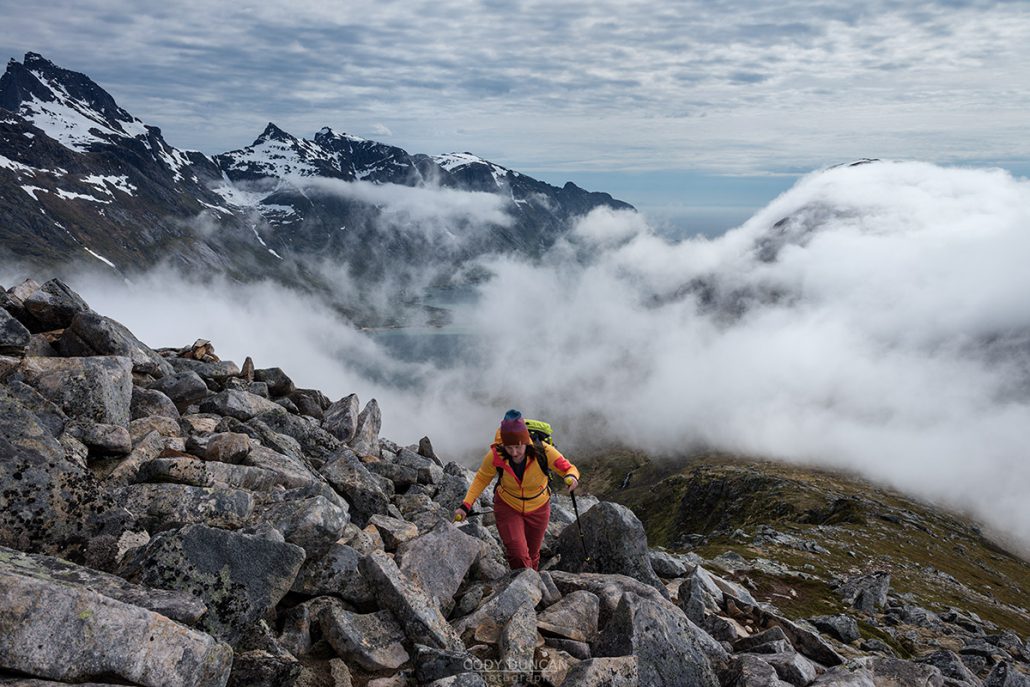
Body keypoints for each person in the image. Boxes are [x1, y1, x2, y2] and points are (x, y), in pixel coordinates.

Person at [453, 409, 580, 571]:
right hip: (508, 505)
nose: (514, 452)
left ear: (526, 441)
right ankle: (524, 584)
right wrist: (466, 505)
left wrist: (572, 477)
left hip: (539, 507)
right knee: (517, 553)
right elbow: (481, 479)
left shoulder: (543, 451)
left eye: (518, 447)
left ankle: (532, 580)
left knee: (533, 553)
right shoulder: (495, 455)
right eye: (509, 447)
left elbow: (568, 468)